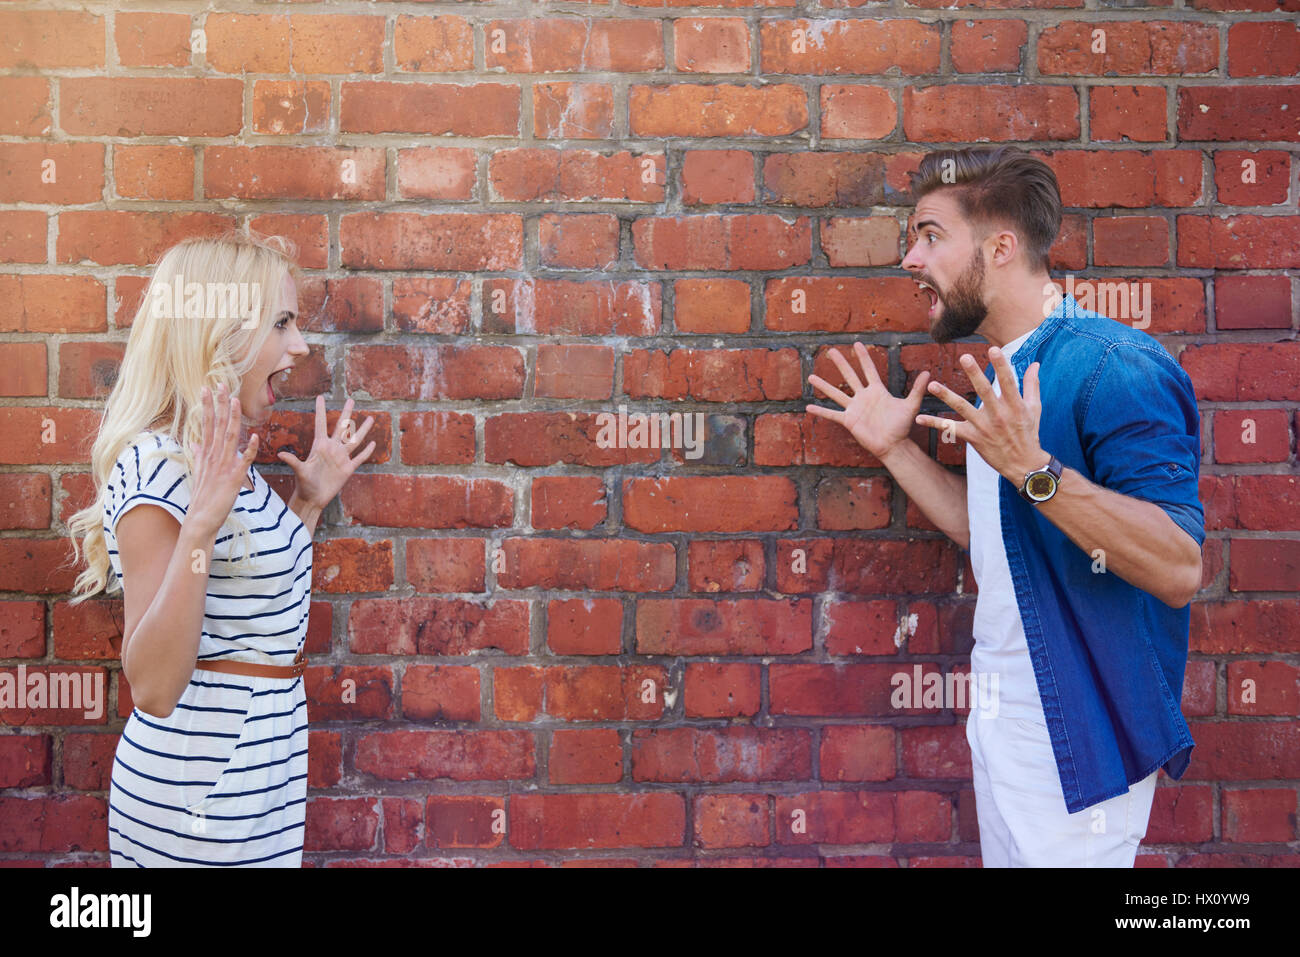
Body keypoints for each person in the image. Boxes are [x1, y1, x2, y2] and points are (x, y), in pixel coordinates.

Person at [807, 146, 1204, 867]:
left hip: (1076, 724)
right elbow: (994, 535)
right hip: (1005, 716)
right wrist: (896, 451)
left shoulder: (1113, 367)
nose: (910, 259)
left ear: (1000, 248)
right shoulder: (1001, 373)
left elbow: (1178, 568)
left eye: (930, 236)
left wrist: (1034, 470)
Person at [66, 232, 376, 866]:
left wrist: (308, 502)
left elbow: (254, 613)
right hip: (200, 789)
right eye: (281, 323)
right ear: (218, 332)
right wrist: (200, 527)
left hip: (263, 775)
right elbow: (154, 686)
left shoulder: (217, 459)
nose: (300, 345)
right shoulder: (156, 466)